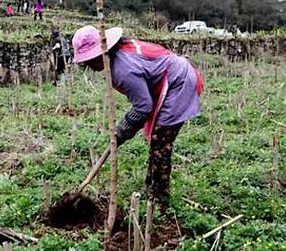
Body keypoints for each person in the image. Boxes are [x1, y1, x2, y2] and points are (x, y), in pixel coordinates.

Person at [72, 25, 203, 212]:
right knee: (158, 142)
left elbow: (143, 107)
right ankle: (151, 188)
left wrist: (121, 132)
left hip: (178, 83)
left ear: (100, 54)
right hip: (169, 79)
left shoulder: (123, 69)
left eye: (90, 61)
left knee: (161, 144)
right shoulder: (118, 58)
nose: (89, 67)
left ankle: (158, 201)